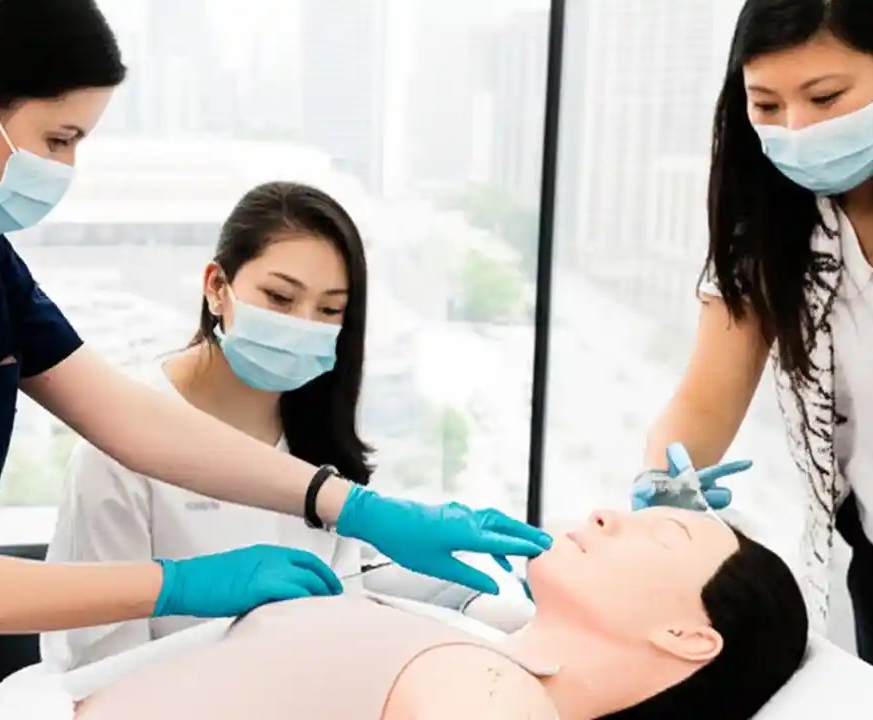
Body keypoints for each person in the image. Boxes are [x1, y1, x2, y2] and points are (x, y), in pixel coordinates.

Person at [0, 1, 552, 717]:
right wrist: (181, 582)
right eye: (60, 139)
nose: (66, 168)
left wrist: (352, 505)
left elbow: (124, 416)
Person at [41, 181, 521, 669]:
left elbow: (341, 605)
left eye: (330, 309)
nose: (304, 324)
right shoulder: (120, 444)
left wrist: (487, 615)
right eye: (279, 297)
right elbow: (98, 662)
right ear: (216, 287)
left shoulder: (318, 435)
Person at [636, 0, 873, 699]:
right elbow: (701, 404)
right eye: (766, 104)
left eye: (825, 97)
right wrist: (662, 491)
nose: (797, 129)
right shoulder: (770, 234)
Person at [69, 507, 809, 720]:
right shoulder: (481, 650)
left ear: (688, 637)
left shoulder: (496, 698)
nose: (611, 516)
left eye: (665, 531)